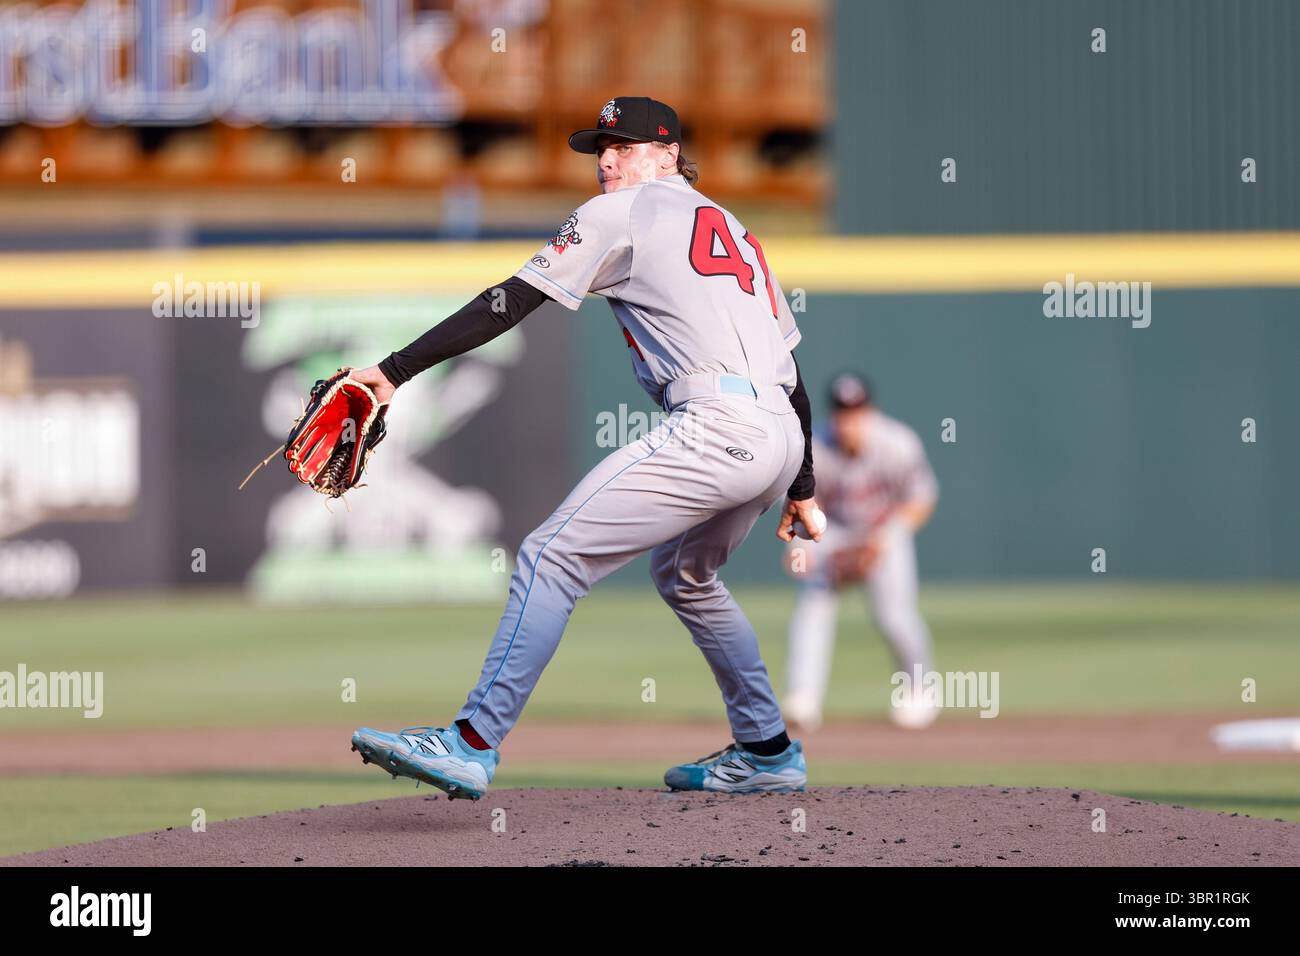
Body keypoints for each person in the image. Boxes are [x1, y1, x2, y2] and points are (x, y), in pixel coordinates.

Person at [348, 96, 824, 799]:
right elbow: (793, 372)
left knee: (551, 554)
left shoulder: (620, 211)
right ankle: (768, 752)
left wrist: (393, 371)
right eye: (601, 146)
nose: (607, 159)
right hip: (777, 429)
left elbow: (508, 301)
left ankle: (470, 743)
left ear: (667, 154)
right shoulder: (735, 227)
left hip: (718, 422)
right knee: (687, 576)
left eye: (625, 145)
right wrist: (803, 484)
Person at [782, 373, 940, 731]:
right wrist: (801, 548)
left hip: (884, 531)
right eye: (842, 412)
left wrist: (882, 541)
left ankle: (919, 691)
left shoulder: (898, 442)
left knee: (896, 617)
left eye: (856, 412)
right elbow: (803, 505)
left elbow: (921, 500)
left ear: (871, 411)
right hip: (832, 532)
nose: (849, 421)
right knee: (812, 607)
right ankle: (803, 698)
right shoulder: (815, 446)